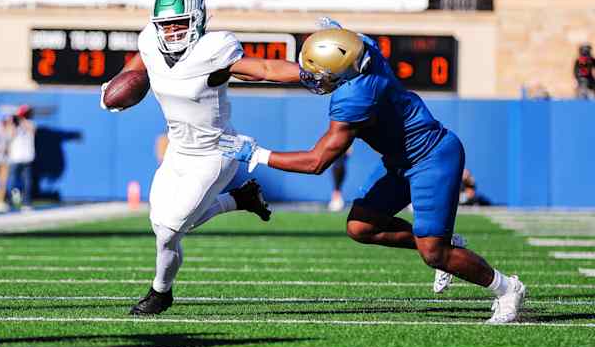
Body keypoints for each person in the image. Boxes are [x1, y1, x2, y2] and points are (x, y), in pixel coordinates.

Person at [219, 18, 526, 324]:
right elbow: (335, 49)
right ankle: (447, 244)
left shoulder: (355, 97)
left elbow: (317, 162)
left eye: (321, 75)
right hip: (401, 160)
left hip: (431, 159)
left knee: (434, 254)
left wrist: (257, 155)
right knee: (361, 227)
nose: (315, 80)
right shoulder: (364, 49)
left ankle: (506, 288)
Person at [101, 0, 301, 315]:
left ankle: (160, 292)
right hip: (178, 151)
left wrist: (309, 74)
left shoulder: (214, 49)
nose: (173, 30)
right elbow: (139, 64)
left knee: (170, 229)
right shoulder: (150, 41)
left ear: (198, 19)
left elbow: (264, 69)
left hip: (215, 152)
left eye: (180, 22)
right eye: (167, 24)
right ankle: (242, 199)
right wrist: (114, 87)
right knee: (161, 223)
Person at [8, 105, 37, 210]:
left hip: (27, 156)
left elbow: (32, 130)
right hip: (16, 156)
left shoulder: (30, 123)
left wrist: (21, 120)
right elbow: (10, 136)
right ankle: (10, 202)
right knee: (12, 181)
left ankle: (27, 203)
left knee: (27, 181)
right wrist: (14, 124)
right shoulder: (14, 125)